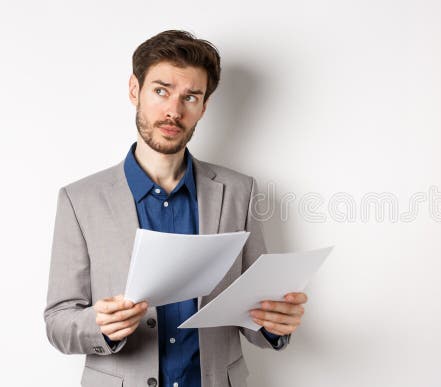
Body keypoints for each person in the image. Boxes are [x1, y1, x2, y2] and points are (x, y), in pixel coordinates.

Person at [43, 30, 307, 387]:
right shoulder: (80, 199)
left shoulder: (240, 191)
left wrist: (274, 324)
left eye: (190, 97)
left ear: (204, 106)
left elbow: (255, 315)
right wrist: (100, 326)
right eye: (161, 90)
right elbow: (58, 322)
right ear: (135, 90)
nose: (173, 110)